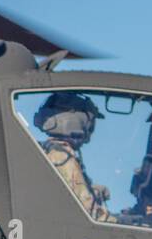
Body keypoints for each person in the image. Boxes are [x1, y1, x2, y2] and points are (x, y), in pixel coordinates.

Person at [33, 91, 115, 222]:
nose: (90, 129)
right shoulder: (62, 158)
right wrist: (118, 221)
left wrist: (93, 191)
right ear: (76, 121)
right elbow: (89, 211)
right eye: (90, 122)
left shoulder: (49, 151)